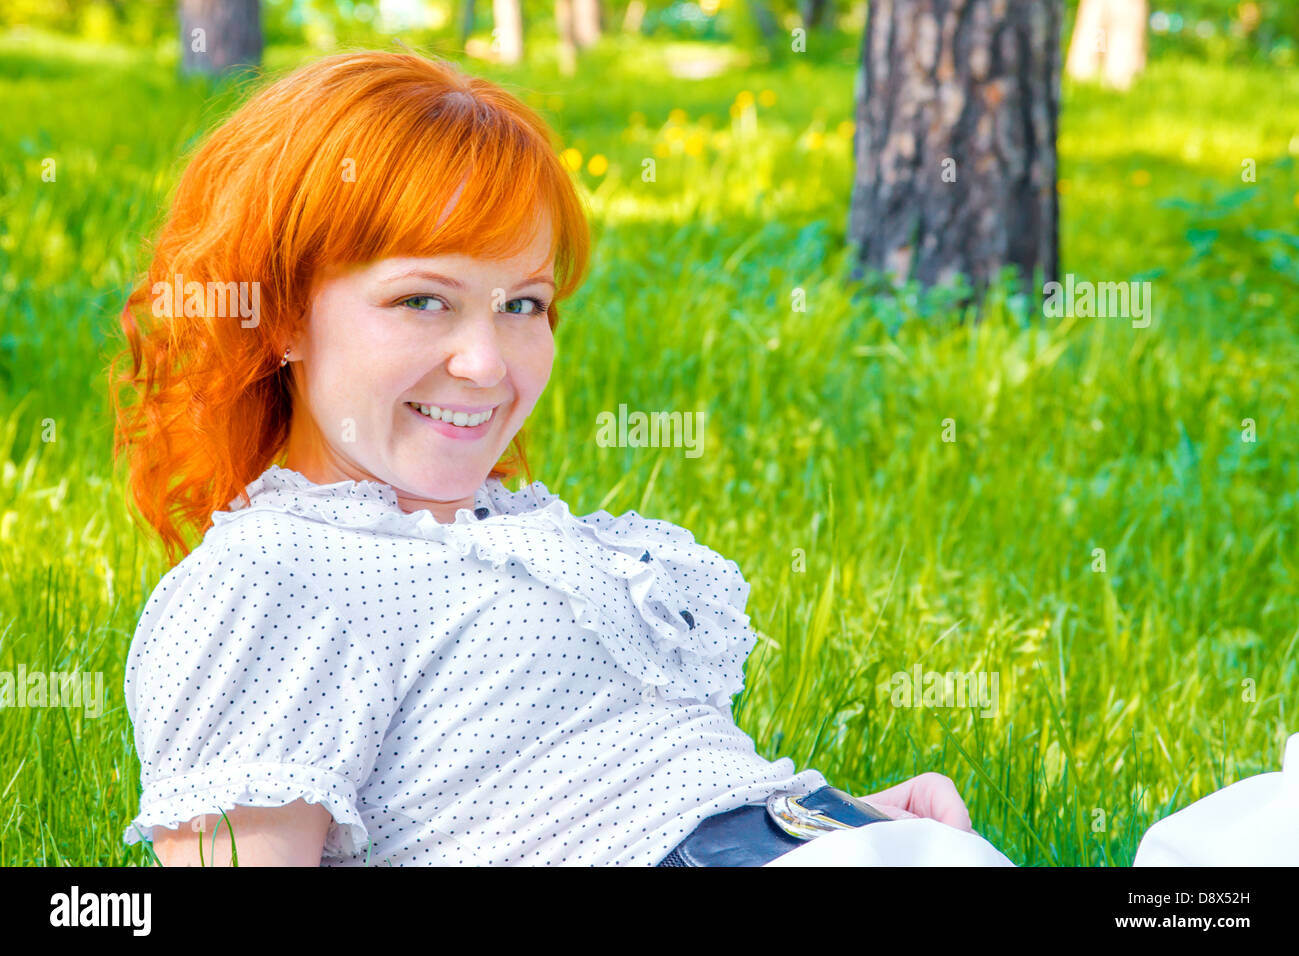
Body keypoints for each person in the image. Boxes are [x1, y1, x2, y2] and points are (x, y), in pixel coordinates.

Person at [110, 49, 1011, 867]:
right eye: (424, 300)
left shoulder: (503, 532)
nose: (487, 363)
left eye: (524, 304)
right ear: (283, 315)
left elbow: (593, 788)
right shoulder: (272, 576)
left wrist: (823, 818)